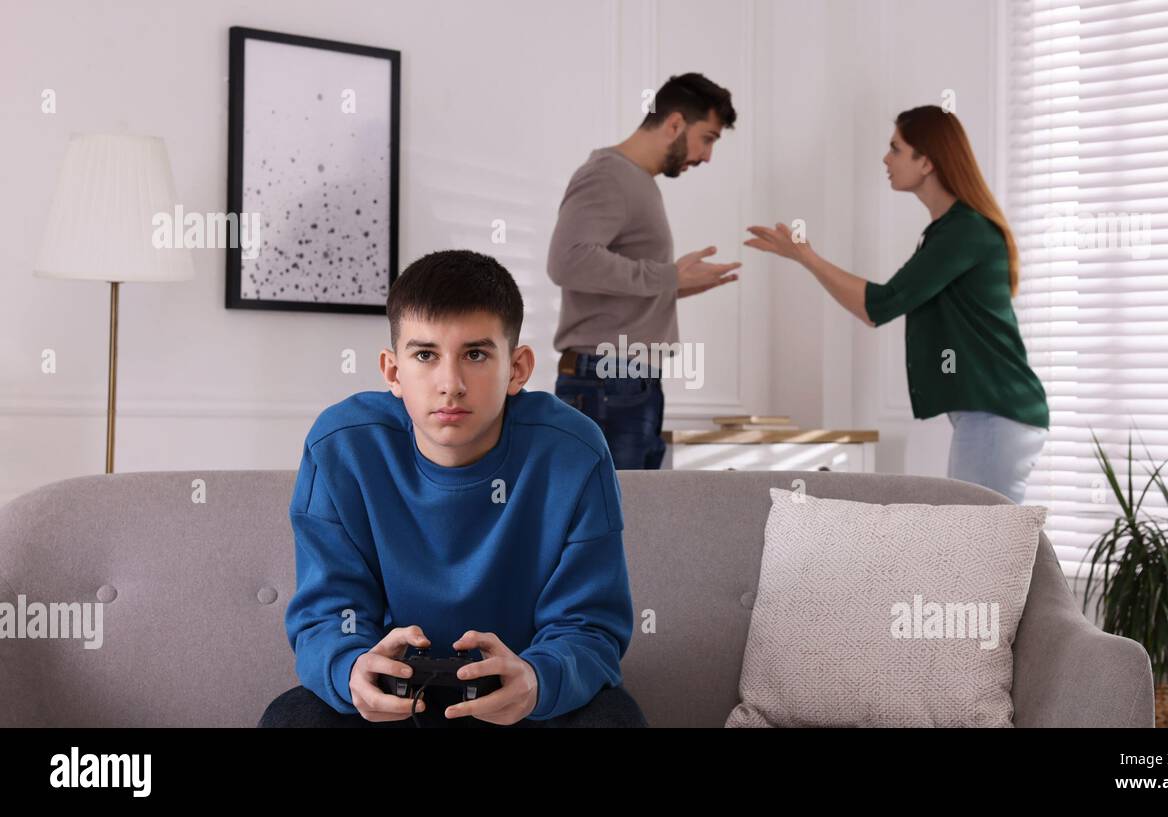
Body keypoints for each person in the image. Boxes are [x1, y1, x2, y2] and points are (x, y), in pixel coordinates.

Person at [258, 250, 647, 728]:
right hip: (392, 706)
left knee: (615, 720)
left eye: (476, 354)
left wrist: (538, 679)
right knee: (291, 719)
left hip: (524, 704)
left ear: (518, 368)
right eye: (425, 355)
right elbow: (328, 613)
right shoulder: (341, 446)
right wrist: (350, 667)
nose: (450, 384)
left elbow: (590, 627)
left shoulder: (574, 451)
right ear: (393, 371)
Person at [744, 105, 1049, 504]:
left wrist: (807, 257)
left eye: (896, 149)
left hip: (997, 411)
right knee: (981, 542)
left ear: (926, 161)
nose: (885, 159)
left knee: (980, 544)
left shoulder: (965, 231)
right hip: (991, 411)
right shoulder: (949, 231)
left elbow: (880, 305)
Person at [547, 72, 741, 470]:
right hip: (608, 381)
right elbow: (568, 260)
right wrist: (668, 277)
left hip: (623, 382)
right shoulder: (607, 175)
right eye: (708, 138)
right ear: (674, 123)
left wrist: (678, 284)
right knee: (618, 522)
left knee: (632, 522)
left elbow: (610, 275)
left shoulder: (636, 181)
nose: (707, 156)